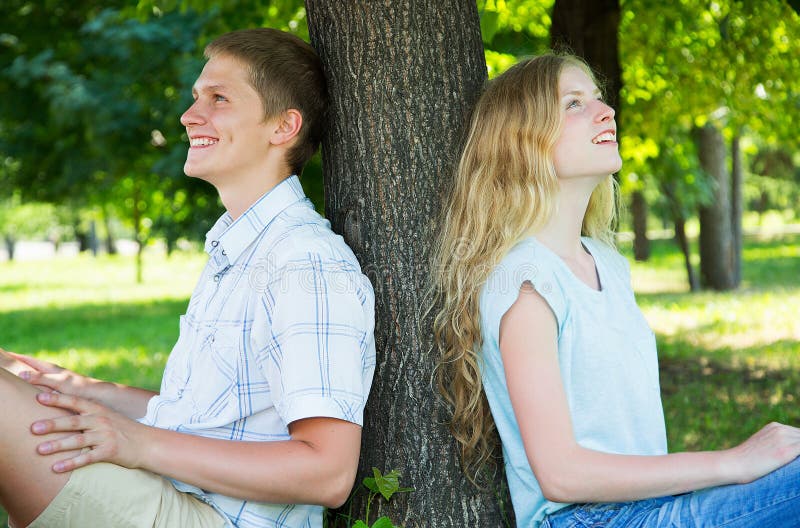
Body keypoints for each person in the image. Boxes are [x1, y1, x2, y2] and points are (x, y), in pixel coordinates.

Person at [0, 27, 376, 528]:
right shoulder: (241, 247)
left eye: (218, 98)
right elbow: (209, 419)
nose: (189, 115)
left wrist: (137, 442)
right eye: (196, 96)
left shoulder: (305, 261)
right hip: (178, 494)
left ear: (283, 127)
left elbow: (326, 473)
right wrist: (83, 390)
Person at [432, 53, 800, 527]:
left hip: (647, 510)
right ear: (523, 141)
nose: (605, 112)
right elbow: (561, 475)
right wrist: (732, 462)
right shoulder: (526, 282)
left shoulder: (604, 261)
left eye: (599, 99)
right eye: (574, 104)